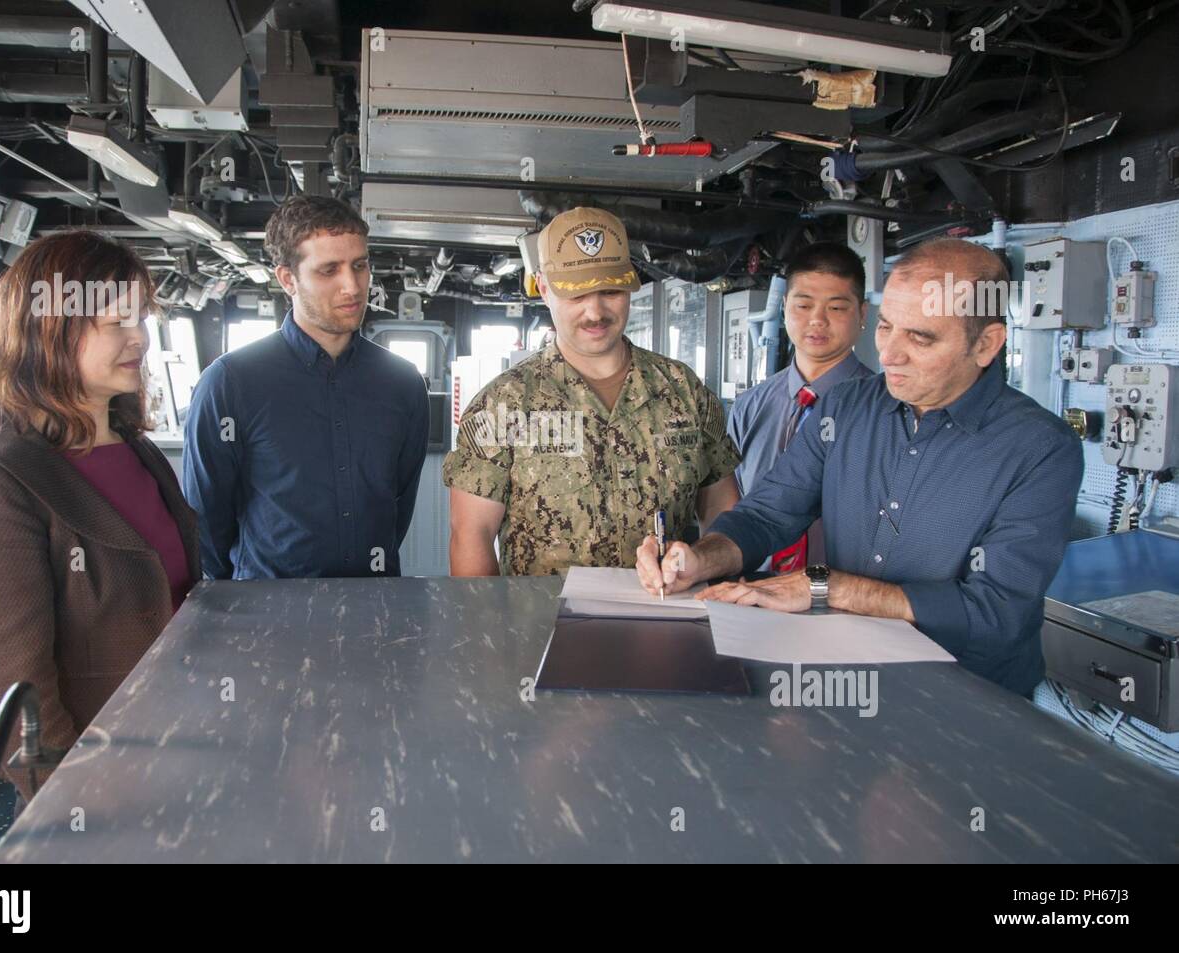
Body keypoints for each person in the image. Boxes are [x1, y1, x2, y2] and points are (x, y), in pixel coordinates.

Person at [636, 238, 1083, 696]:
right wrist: (700, 559)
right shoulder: (845, 408)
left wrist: (827, 587)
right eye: (887, 327)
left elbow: (997, 613)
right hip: (850, 680)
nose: (888, 354)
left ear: (986, 344)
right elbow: (768, 514)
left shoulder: (1041, 448)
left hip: (969, 699)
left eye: (921, 337)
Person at [0, 230, 199, 799]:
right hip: (105, 792)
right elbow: (16, 702)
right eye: (117, 323)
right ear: (48, 333)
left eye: (141, 320)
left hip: (185, 747)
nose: (139, 339)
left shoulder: (140, 453)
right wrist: (79, 808)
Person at [445, 206, 740, 576]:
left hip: (662, 620)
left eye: (611, 291)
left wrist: (708, 575)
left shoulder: (683, 391)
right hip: (541, 625)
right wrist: (493, 632)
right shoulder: (503, 406)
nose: (595, 312)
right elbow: (471, 535)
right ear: (544, 287)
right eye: (576, 295)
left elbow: (722, 512)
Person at [183, 196, 429, 579]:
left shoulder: (403, 384)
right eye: (329, 270)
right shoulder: (230, 384)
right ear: (287, 279)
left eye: (360, 266)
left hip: (376, 608)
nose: (352, 286)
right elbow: (205, 527)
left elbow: (397, 506)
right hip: (267, 620)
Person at [727, 242, 873, 572]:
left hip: (847, 599)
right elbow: (731, 505)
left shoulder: (886, 410)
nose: (817, 321)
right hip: (754, 594)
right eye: (803, 306)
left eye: (836, 308)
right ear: (783, 307)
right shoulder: (749, 407)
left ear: (862, 314)